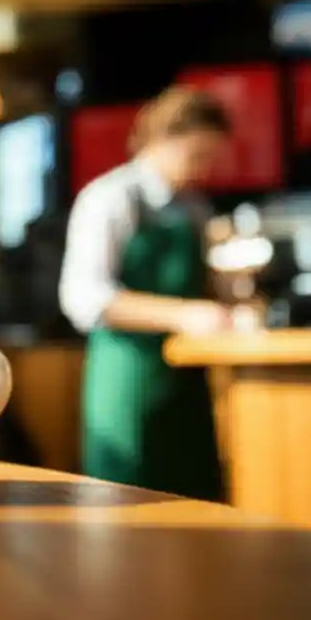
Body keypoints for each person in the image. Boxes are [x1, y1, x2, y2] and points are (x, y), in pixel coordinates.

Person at [59, 87, 233, 500]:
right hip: (127, 378)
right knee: (127, 507)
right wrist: (184, 315)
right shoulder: (110, 198)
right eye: (197, 156)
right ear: (162, 140)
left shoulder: (194, 208)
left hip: (186, 386)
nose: (203, 170)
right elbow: (84, 297)